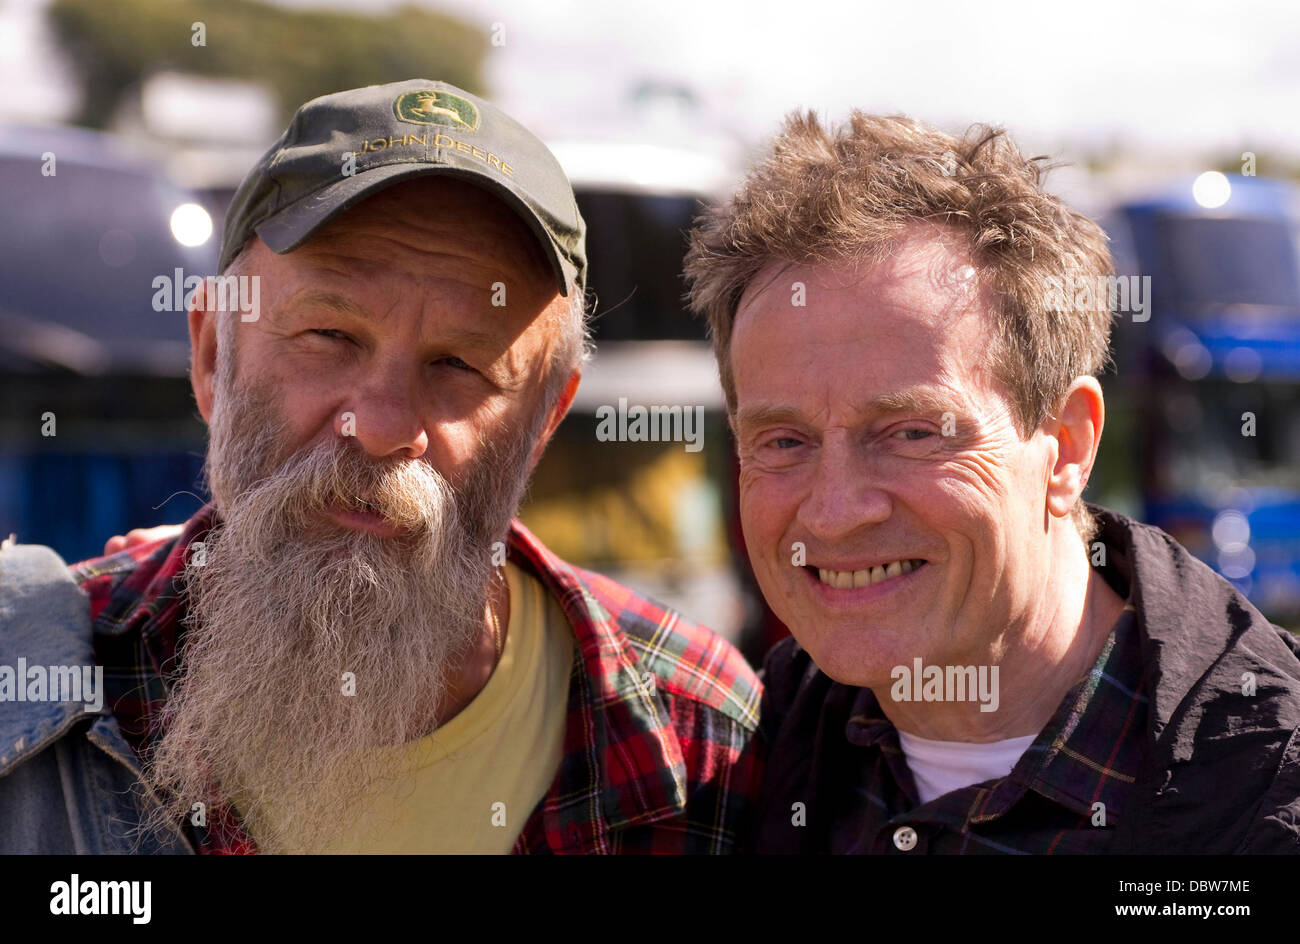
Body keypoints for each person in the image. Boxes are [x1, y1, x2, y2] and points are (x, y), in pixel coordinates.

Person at [0, 79, 760, 854]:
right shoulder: (29, 698)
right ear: (210, 356)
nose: (383, 426)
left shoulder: (700, 743)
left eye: (460, 364)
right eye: (329, 335)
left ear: (543, 421)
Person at [683, 111, 1300, 853]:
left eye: (911, 432)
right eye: (784, 442)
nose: (837, 511)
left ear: (1067, 446)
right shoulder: (727, 760)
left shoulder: (1268, 786)